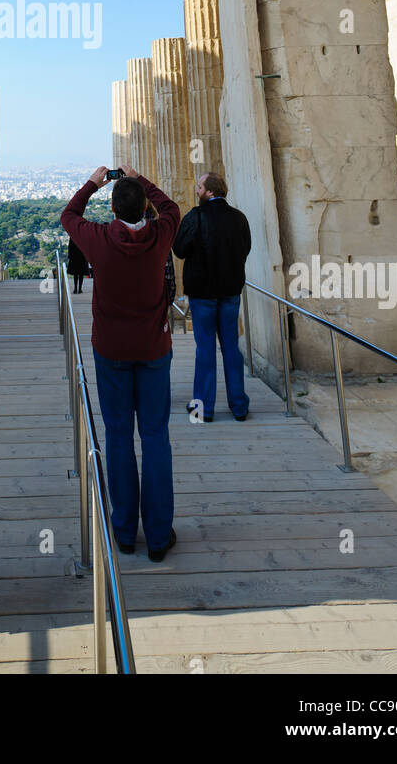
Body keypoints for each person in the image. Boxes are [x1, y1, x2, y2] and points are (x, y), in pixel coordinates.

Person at [61, 164, 180, 562]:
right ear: (144, 206)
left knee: (117, 435)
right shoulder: (161, 234)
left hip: (111, 349)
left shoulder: (99, 239)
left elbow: (69, 215)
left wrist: (95, 183)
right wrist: (141, 178)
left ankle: (125, 529)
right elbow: (171, 208)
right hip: (153, 348)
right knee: (155, 436)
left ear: (111, 208)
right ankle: (159, 535)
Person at [172, 172, 252, 424]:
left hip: (203, 293)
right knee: (231, 347)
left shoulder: (196, 216)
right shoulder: (239, 217)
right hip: (230, 291)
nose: (196, 190)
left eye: (199, 186)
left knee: (205, 349)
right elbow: (245, 248)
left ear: (208, 191)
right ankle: (239, 406)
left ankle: (204, 408)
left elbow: (179, 249)